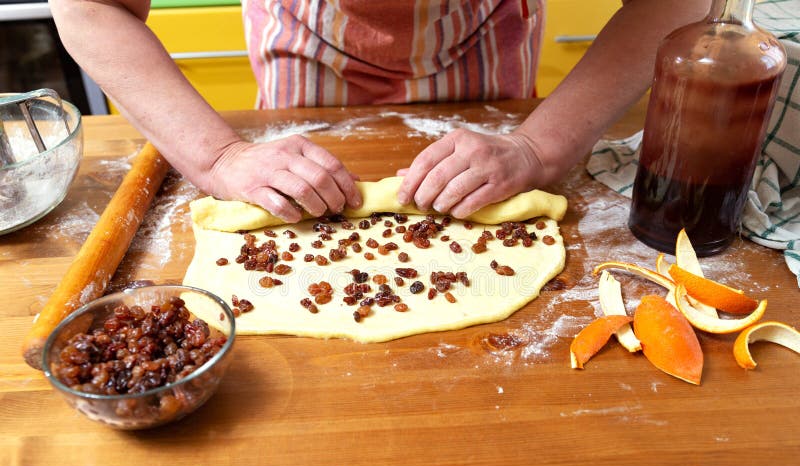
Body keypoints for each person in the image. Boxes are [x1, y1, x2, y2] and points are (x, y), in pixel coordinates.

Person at [50, 0, 709, 223]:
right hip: (305, 37)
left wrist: (540, 147)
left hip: (481, 36)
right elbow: (90, 5)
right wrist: (219, 156)